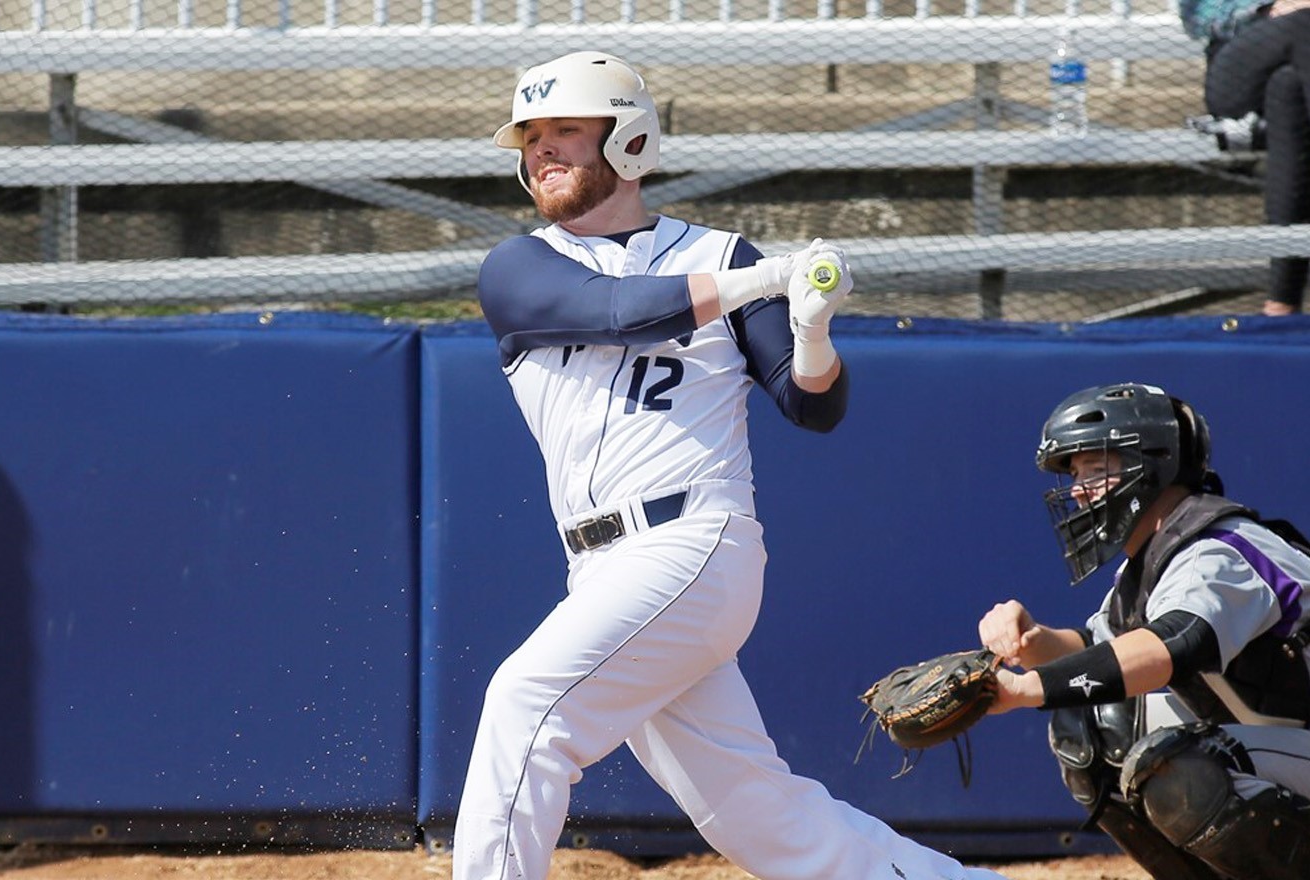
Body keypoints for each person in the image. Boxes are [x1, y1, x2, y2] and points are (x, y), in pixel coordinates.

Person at [453, 50, 1009, 880]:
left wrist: (812, 328)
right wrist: (767, 278)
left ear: (629, 141)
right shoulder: (520, 266)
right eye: (530, 137)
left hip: (691, 543)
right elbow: (619, 312)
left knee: (524, 706)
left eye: (565, 130)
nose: (543, 151)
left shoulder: (721, 253)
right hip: (601, 567)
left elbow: (811, 403)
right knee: (757, 811)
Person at [978, 382, 1310, 880]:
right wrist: (1033, 642)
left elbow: (1171, 647)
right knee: (1088, 722)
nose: (1076, 489)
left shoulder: (1216, 548)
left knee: (1181, 766)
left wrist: (1029, 690)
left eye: (1094, 468)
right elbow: (1101, 650)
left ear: (1152, 462)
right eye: (1074, 473)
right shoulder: (1154, 558)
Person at [1179, 0, 1310, 315]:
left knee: (1287, 87)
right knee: (1306, 23)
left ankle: (1281, 303)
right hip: (1238, 77)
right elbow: (1197, 16)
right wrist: (1268, 8)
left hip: (1296, 80)